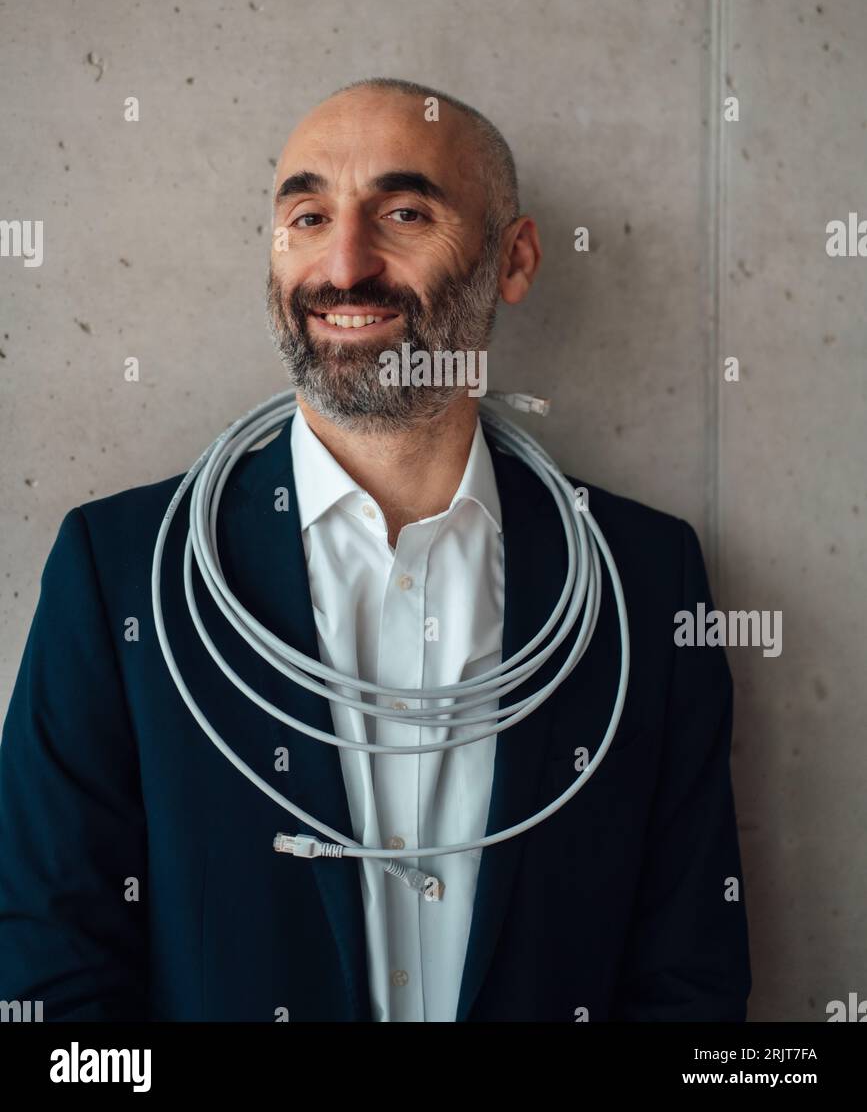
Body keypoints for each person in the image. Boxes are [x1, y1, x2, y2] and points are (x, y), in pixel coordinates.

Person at [0, 78, 751, 1022]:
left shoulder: (642, 580)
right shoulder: (121, 573)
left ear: (512, 258)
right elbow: (48, 971)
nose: (344, 264)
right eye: (308, 216)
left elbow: (691, 983)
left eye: (402, 212)